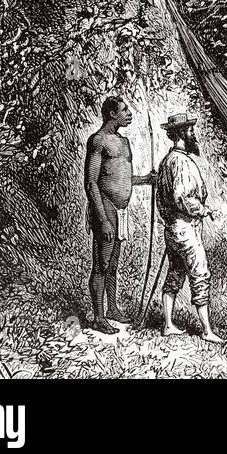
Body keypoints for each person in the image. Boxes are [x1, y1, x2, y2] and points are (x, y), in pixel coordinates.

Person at [84, 96, 152, 334]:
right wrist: (102, 218)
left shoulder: (123, 142)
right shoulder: (98, 141)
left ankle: (112, 308)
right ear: (112, 114)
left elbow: (122, 178)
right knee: (101, 264)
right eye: (124, 110)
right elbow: (92, 182)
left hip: (121, 210)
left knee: (113, 264)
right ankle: (98, 317)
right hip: (105, 207)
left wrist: (145, 180)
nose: (129, 114)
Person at [156, 112, 223, 344]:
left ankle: (168, 325)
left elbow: (162, 199)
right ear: (182, 133)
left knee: (175, 273)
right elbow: (182, 198)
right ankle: (207, 331)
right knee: (200, 274)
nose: (194, 134)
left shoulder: (167, 161)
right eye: (191, 130)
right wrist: (203, 210)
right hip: (185, 229)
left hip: (172, 229)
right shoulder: (181, 162)